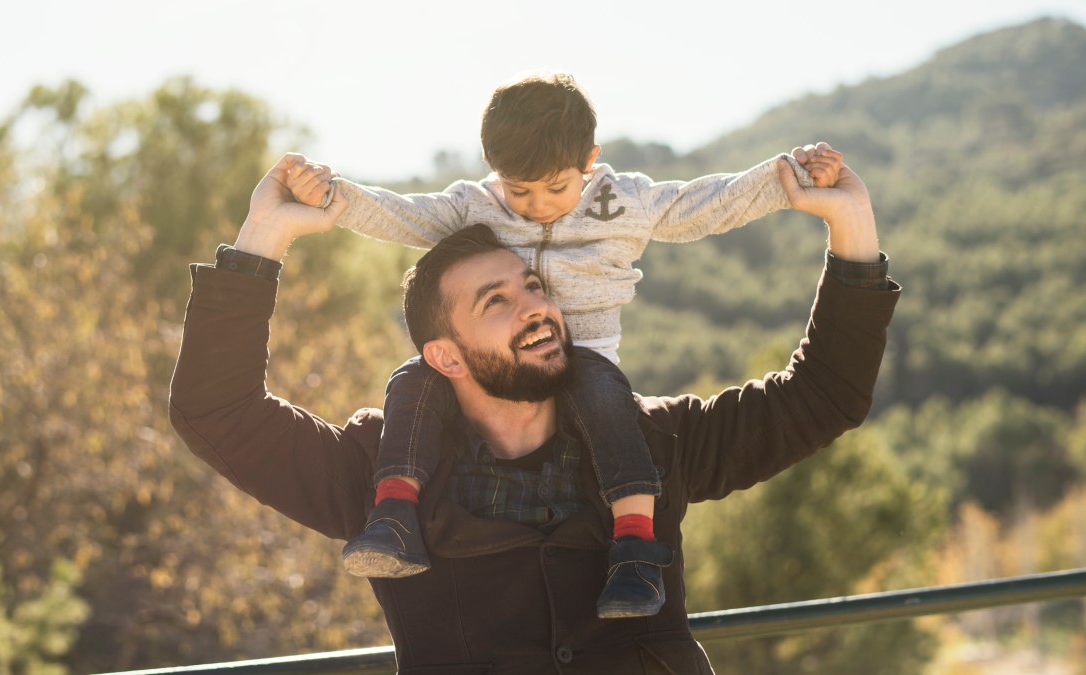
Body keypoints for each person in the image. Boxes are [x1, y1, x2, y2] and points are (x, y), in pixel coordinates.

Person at [168, 144, 898, 673]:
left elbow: (824, 393)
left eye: (530, 285)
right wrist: (265, 235)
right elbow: (217, 410)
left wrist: (850, 222)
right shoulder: (377, 468)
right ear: (445, 355)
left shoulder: (650, 440)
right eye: (498, 301)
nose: (537, 307)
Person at [279, 72, 843, 619]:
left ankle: (636, 547)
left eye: (556, 187)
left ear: (590, 160)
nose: (537, 205)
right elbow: (404, 213)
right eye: (518, 190)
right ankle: (396, 514)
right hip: (502, 364)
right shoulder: (476, 205)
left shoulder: (626, 201)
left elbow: (704, 203)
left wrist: (784, 178)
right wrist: (333, 195)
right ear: (494, 172)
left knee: (609, 409)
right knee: (411, 381)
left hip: (585, 356)